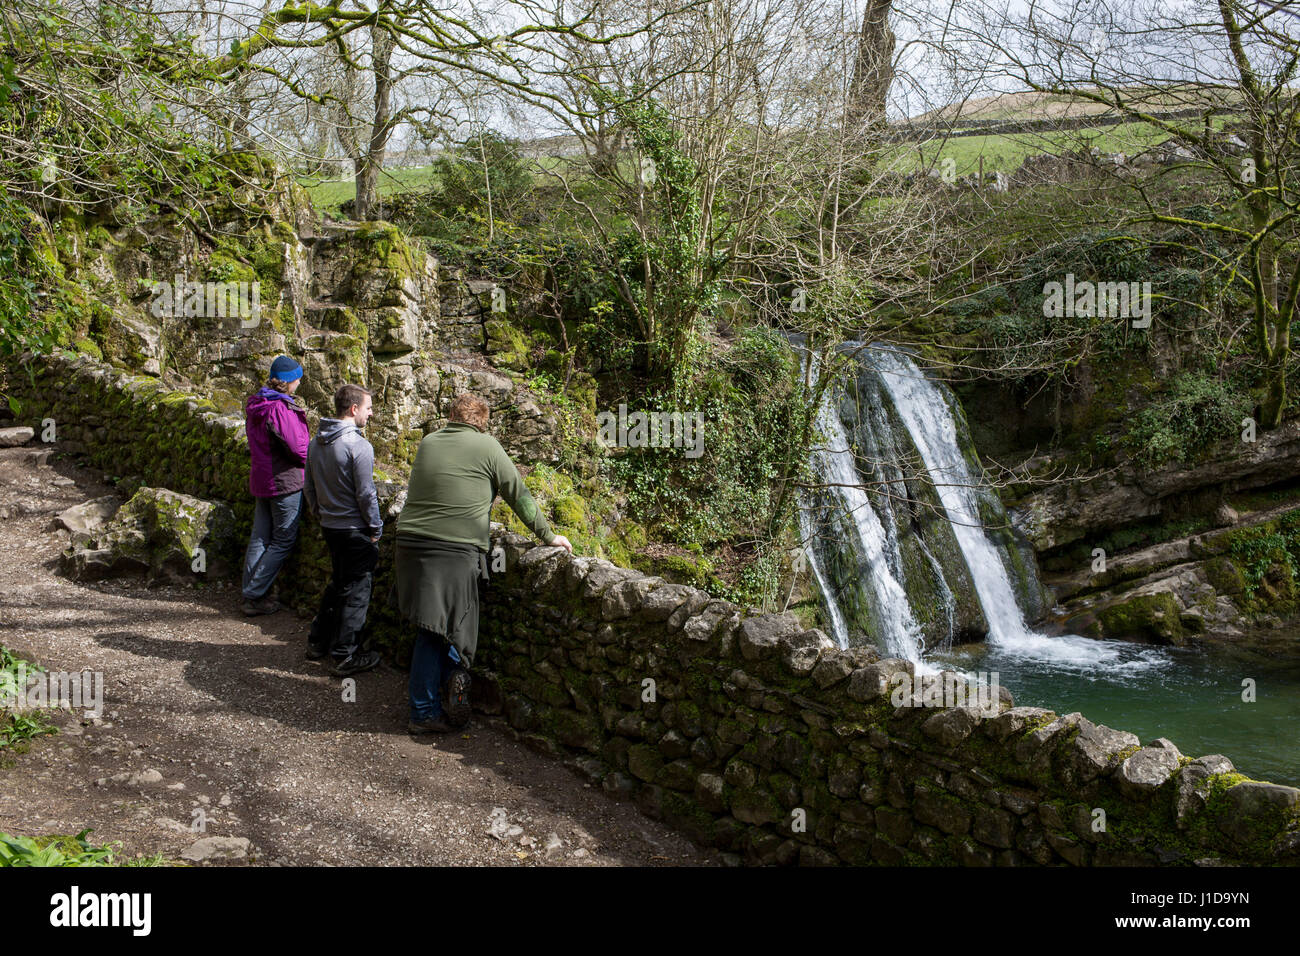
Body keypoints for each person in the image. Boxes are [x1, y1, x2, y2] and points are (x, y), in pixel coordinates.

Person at [395, 393, 572, 735]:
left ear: (452, 415)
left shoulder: (429, 441)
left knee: (429, 625)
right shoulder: (488, 447)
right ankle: (424, 711)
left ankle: (447, 683)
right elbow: (517, 493)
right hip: (453, 549)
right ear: (482, 421)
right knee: (441, 629)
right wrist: (549, 536)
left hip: (409, 543)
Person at [303, 384, 384, 677]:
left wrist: (318, 513)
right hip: (354, 529)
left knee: (338, 583)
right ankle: (344, 655)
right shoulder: (358, 446)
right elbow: (366, 494)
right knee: (357, 592)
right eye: (369, 408)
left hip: (330, 526)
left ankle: (317, 641)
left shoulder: (316, 442)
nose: (371, 413)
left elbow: (308, 486)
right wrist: (375, 528)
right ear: (353, 409)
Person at [242, 355, 310, 616]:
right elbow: (298, 448)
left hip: (261, 479)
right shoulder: (279, 408)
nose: (300, 382)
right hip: (284, 482)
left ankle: (251, 593)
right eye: (298, 378)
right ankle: (253, 594)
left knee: (260, 537)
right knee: (283, 540)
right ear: (290, 380)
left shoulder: (257, 403)